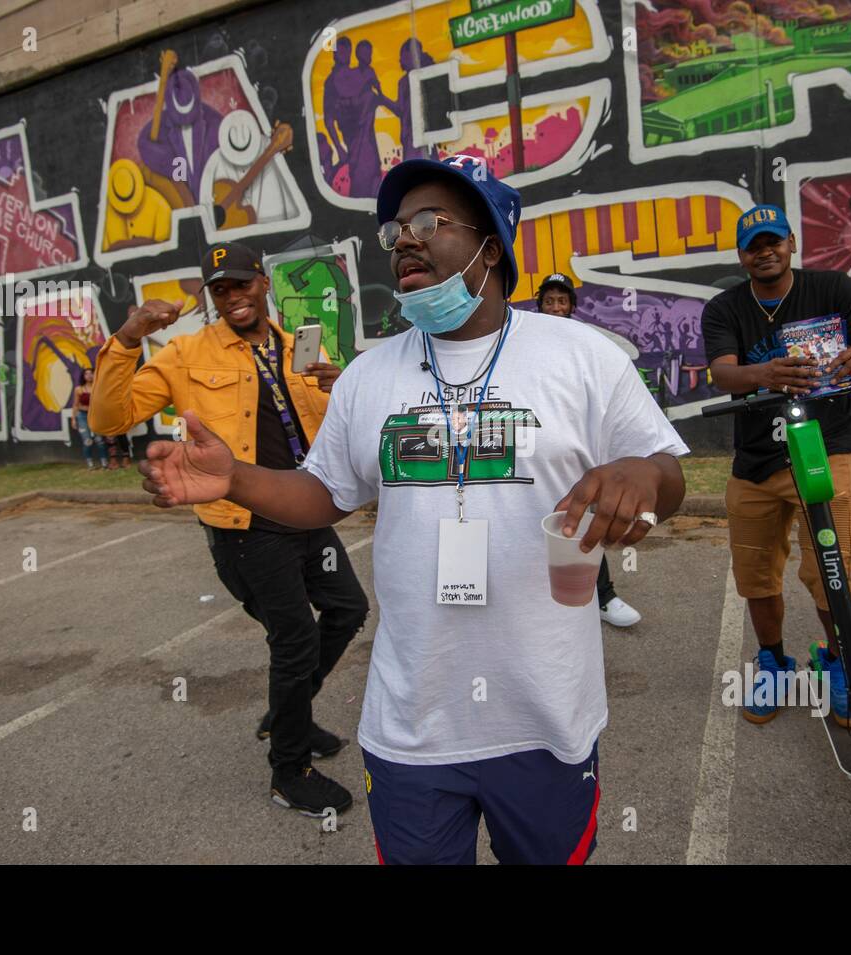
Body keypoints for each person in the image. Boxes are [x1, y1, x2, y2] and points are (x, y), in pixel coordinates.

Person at [137, 155, 689, 864]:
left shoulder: (583, 356)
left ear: (492, 246)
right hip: (412, 725)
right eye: (395, 229)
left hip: (547, 716)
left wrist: (643, 474)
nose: (403, 239)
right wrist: (234, 478)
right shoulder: (368, 375)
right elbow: (323, 494)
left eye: (429, 222)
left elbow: (669, 474)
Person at [89, 241, 370, 816]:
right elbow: (110, 417)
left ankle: (290, 714)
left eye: (241, 284)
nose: (232, 297)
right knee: (294, 639)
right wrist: (128, 338)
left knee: (348, 609)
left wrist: (339, 386)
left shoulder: (298, 345)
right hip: (247, 527)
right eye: (219, 290)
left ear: (263, 283)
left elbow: (326, 429)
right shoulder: (185, 354)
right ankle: (289, 771)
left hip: (303, 509)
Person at [702, 204, 851, 727]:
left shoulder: (832, 288)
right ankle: (772, 660)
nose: (765, 252)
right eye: (753, 246)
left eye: (774, 241)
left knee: (831, 570)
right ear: (741, 255)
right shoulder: (725, 307)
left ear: (791, 242)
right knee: (755, 574)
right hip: (756, 460)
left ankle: (839, 663)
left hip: (823, 448)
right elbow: (723, 373)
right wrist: (764, 374)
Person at [535, 272, 643, 629]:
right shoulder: (524, 343)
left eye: (561, 301)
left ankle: (603, 596)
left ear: (571, 305)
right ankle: (535, 599)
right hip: (533, 445)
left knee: (579, 519)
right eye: (549, 301)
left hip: (575, 443)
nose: (555, 307)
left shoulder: (587, 343)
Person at [69, 368, 107, 470]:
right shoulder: (79, 389)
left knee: (99, 440)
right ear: (83, 376)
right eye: (86, 374)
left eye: (91, 373)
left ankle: (104, 462)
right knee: (87, 440)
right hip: (82, 416)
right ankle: (90, 464)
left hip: (96, 415)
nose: (89, 376)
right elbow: (75, 405)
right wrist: (73, 419)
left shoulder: (98, 388)